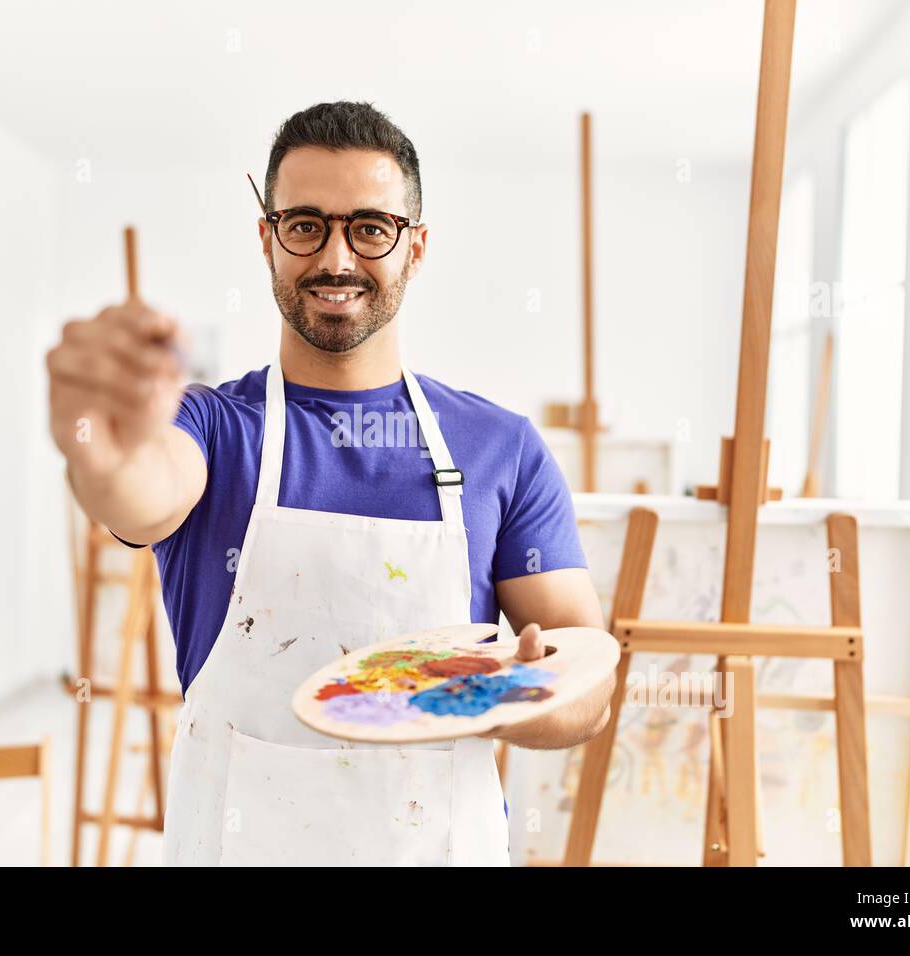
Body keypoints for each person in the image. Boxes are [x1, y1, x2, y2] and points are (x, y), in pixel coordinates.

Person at [46, 100, 617, 866]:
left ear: (416, 247)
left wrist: (494, 696)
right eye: (305, 225)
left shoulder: (501, 448)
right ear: (267, 238)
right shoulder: (212, 426)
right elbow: (138, 491)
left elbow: (587, 691)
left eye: (371, 228)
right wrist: (99, 445)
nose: (336, 259)